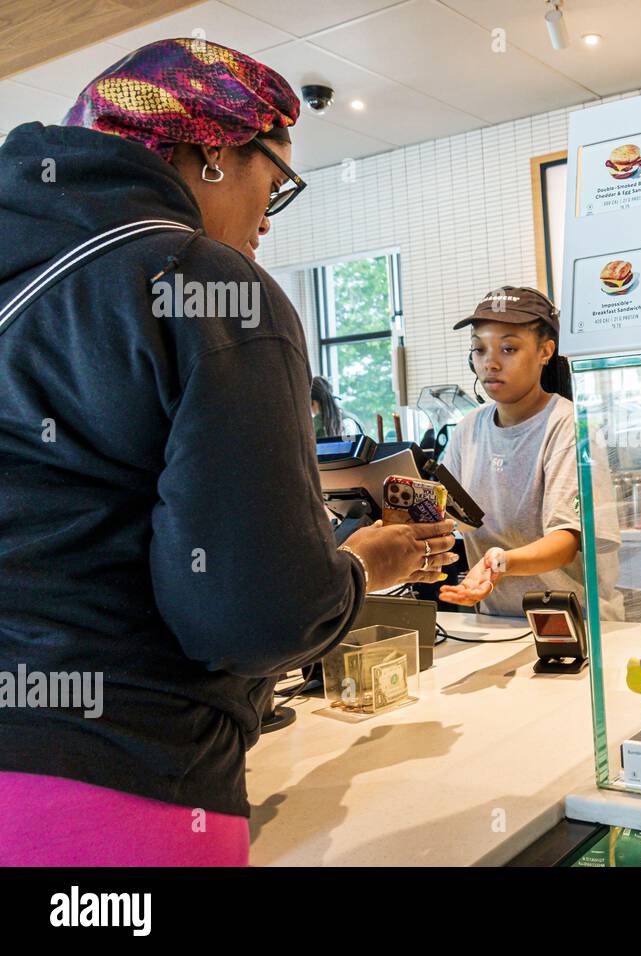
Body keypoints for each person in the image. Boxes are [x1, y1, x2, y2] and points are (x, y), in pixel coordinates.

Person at [0, 38, 456, 866]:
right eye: (275, 178)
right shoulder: (203, 284)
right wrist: (357, 568)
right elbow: (254, 616)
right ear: (211, 152)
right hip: (108, 785)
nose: (270, 215)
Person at [439, 287, 622, 622]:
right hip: (496, 622)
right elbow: (446, 518)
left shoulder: (568, 426)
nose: (490, 363)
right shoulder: (468, 430)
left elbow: (566, 541)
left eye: (508, 348)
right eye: (479, 349)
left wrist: (501, 562)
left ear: (545, 351)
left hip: (576, 626)